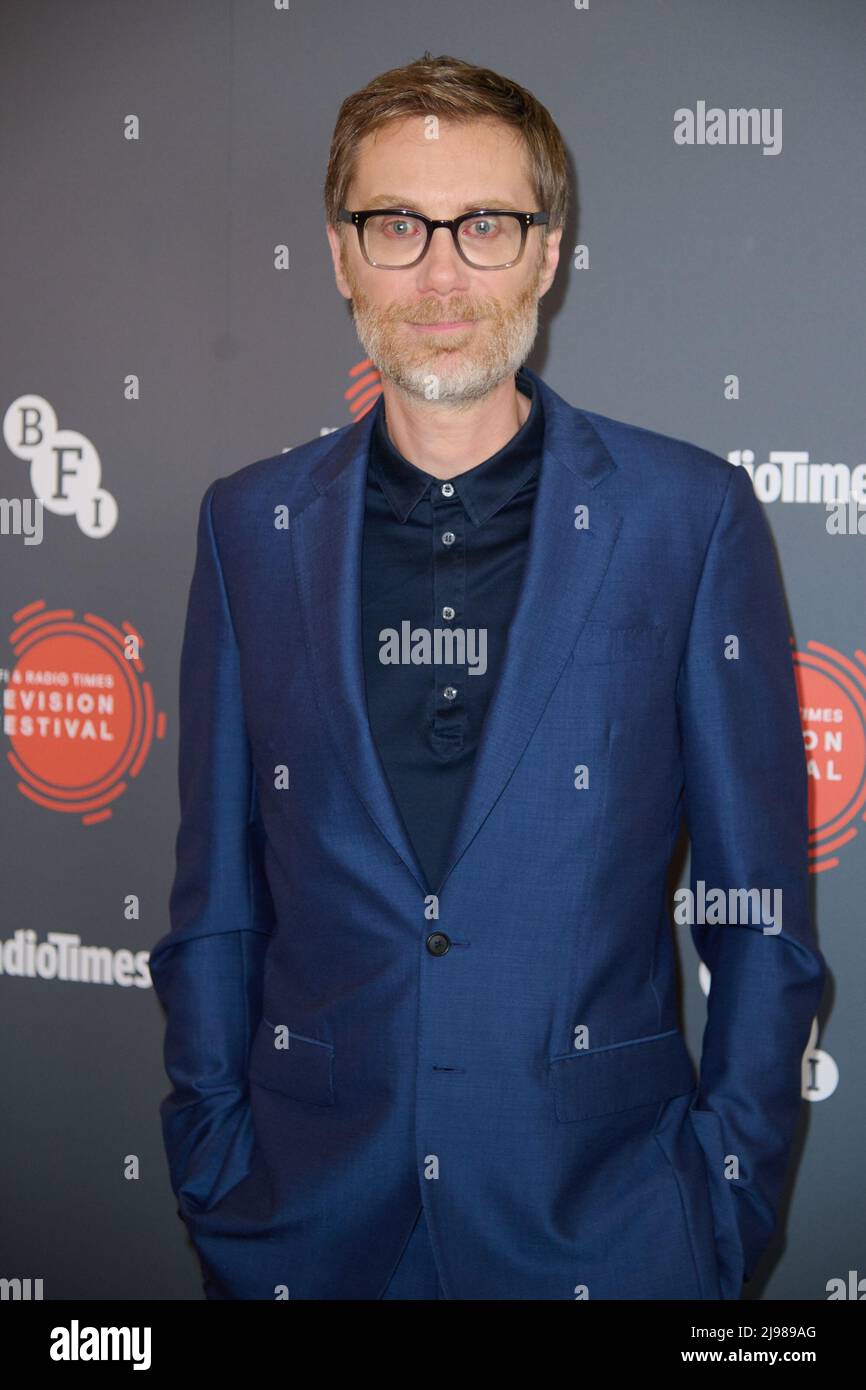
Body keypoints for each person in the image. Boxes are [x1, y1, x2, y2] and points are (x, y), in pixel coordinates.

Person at [148, 53, 826, 1301]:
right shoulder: (250, 527)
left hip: (606, 1238)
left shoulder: (687, 519)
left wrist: (716, 1207)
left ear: (547, 252)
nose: (443, 272)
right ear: (341, 253)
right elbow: (215, 907)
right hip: (302, 1233)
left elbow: (756, 917)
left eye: (487, 225)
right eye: (396, 225)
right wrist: (213, 1161)